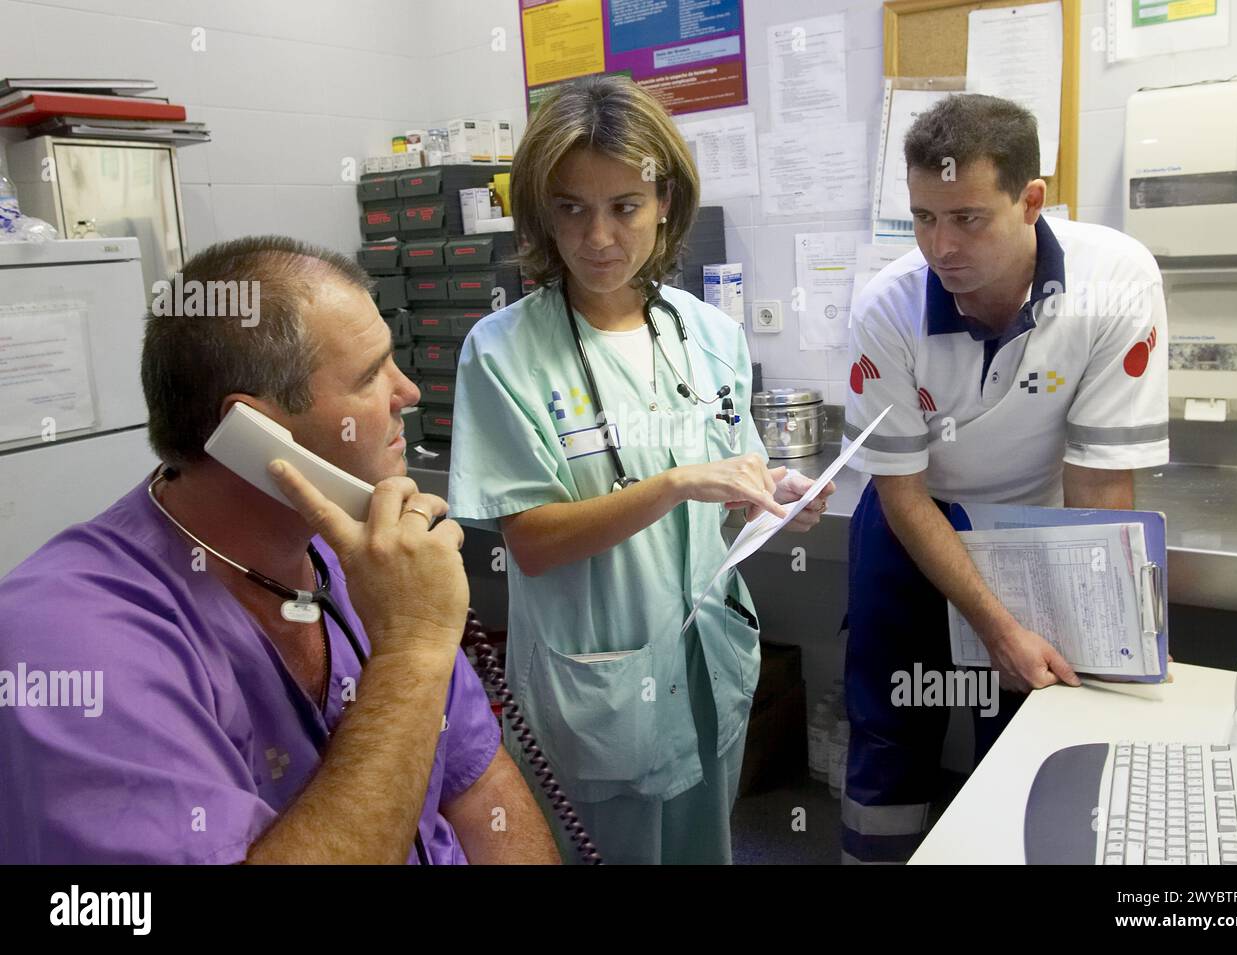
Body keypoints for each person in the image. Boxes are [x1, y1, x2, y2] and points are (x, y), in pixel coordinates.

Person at [0, 236, 559, 864]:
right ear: (255, 432)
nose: (408, 392)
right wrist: (410, 653)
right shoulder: (69, 641)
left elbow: (478, 786)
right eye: (371, 375)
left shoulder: (361, 557)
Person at [448, 75, 835, 864]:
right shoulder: (501, 353)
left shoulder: (710, 334)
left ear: (665, 204)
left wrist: (777, 501)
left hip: (704, 666)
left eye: (624, 206)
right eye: (572, 208)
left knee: (708, 848)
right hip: (597, 691)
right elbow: (532, 541)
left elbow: (735, 493)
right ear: (540, 213)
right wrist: (676, 483)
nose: (598, 237)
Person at [840, 95, 1169, 863]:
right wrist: (992, 622)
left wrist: (1109, 631)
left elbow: (1098, 489)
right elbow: (902, 493)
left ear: (1030, 201)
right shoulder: (887, 308)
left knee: (1027, 728)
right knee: (891, 727)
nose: (940, 247)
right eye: (923, 218)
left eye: (967, 218)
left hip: (1036, 525)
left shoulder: (1114, 283)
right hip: (913, 517)